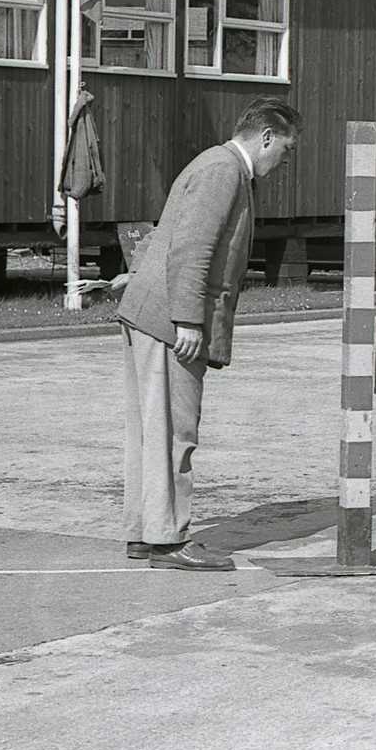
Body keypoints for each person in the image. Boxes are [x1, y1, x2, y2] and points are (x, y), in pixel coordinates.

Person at [115, 97, 302, 570]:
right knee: (175, 432)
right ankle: (167, 540)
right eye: (285, 149)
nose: (284, 161)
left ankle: (146, 532)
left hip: (150, 312)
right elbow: (194, 249)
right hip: (168, 321)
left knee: (150, 433)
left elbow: (167, 236)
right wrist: (189, 320)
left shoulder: (213, 165)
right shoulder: (224, 171)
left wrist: (138, 276)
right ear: (265, 138)